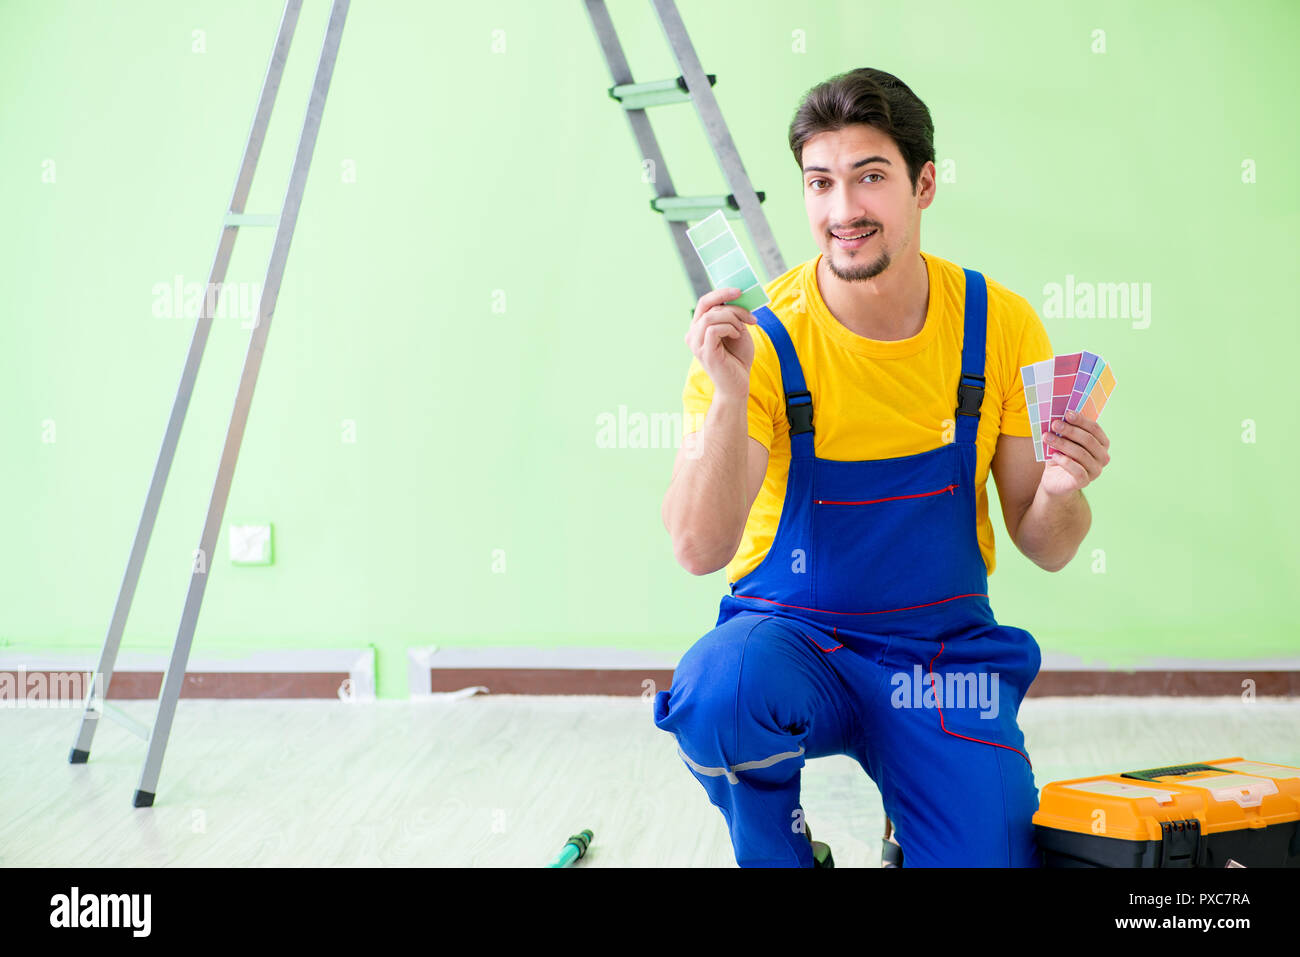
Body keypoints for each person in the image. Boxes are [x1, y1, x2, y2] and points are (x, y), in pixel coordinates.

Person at [655, 67, 1112, 868]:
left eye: (870, 177)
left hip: (942, 657)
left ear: (923, 182)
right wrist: (728, 399)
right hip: (797, 642)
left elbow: (1049, 542)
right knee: (716, 694)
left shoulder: (998, 325)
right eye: (820, 183)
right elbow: (697, 549)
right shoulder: (758, 339)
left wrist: (1064, 489)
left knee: (995, 855)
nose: (843, 211)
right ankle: (785, 856)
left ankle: (920, 817)